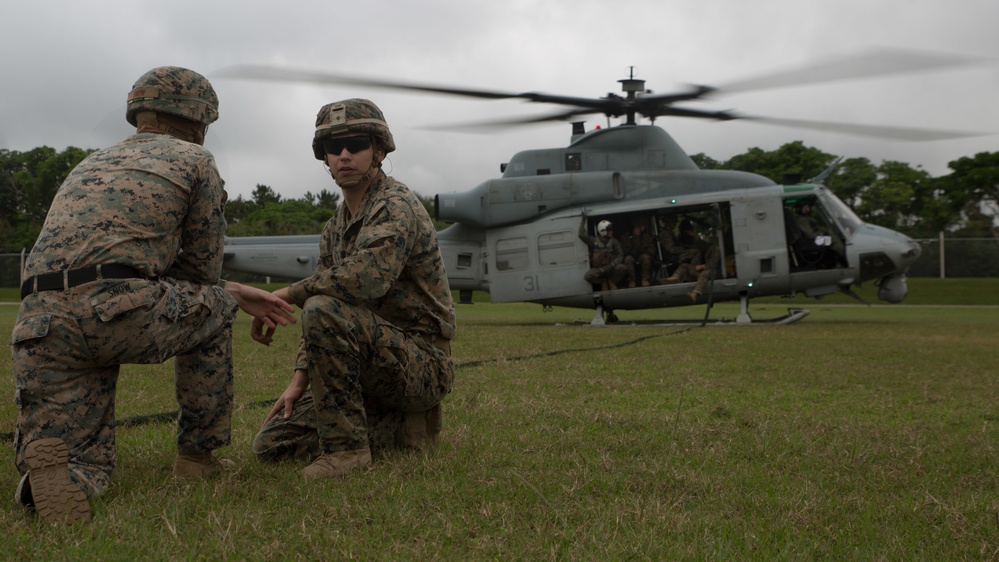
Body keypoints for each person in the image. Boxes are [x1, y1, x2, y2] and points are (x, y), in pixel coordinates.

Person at [9, 66, 297, 525]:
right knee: (216, 308)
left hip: (38, 324)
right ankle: (197, 459)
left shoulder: (88, 164)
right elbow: (201, 275)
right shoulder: (195, 161)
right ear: (200, 121)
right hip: (116, 312)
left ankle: (52, 478)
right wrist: (234, 294)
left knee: (84, 458)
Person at [252, 99, 455, 479]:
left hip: (421, 363)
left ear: (378, 151)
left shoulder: (396, 205)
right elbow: (327, 296)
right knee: (272, 442)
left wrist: (288, 293)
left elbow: (366, 278)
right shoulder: (335, 226)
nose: (344, 155)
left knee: (320, 309)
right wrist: (300, 379)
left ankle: (348, 453)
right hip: (370, 361)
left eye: (357, 144)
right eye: (334, 148)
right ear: (324, 158)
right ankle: (401, 429)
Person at [578, 218, 629, 290]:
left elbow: (620, 255)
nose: (612, 232)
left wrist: (609, 266)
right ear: (603, 231)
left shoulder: (614, 241)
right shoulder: (594, 241)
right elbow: (581, 234)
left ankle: (612, 281)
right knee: (588, 276)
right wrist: (583, 221)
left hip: (611, 268)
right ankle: (603, 281)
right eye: (610, 230)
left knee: (622, 268)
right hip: (600, 269)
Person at [619, 217, 657, 287]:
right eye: (638, 227)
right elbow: (622, 250)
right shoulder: (626, 237)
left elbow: (652, 249)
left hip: (642, 256)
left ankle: (645, 279)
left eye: (641, 227)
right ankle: (631, 280)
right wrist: (630, 251)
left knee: (646, 258)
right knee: (628, 259)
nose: (640, 229)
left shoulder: (646, 237)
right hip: (631, 256)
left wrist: (644, 251)